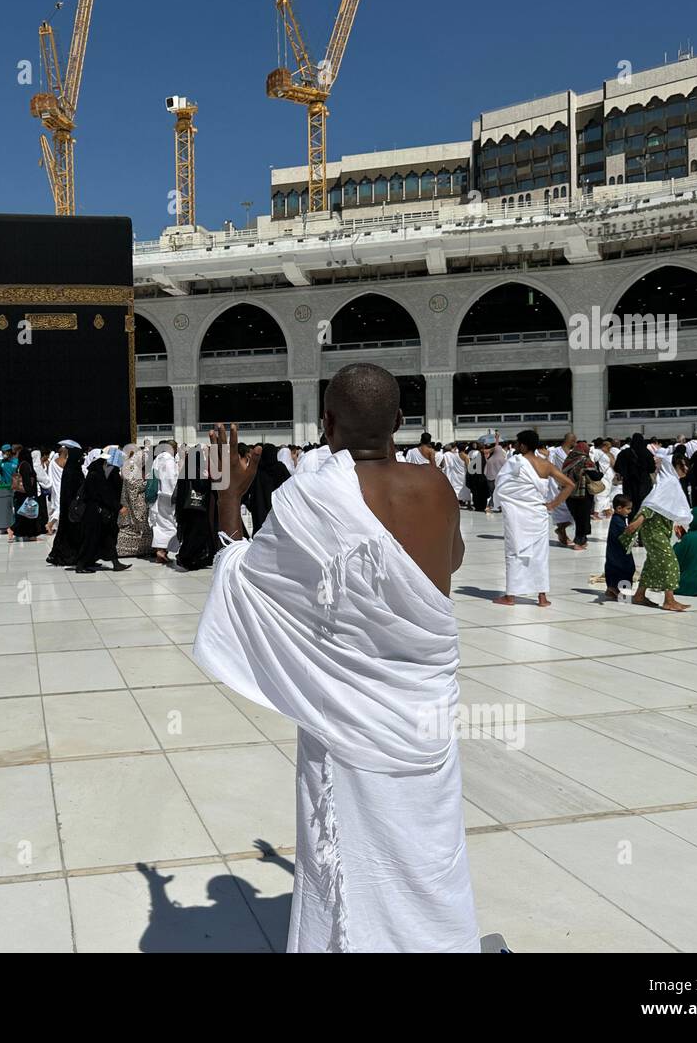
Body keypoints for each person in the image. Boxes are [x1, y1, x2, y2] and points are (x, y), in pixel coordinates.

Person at [194, 363, 478, 953]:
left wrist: (229, 501)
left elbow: (246, 583)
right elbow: (450, 562)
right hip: (425, 713)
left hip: (346, 715)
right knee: (428, 849)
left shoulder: (310, 496)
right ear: (401, 422)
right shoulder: (437, 487)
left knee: (347, 854)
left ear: (326, 424)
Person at [492, 430, 574, 607]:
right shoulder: (546, 465)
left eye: (517, 443)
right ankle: (542, 597)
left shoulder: (515, 463)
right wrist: (552, 505)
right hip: (538, 515)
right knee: (540, 555)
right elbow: (570, 484)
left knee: (515, 553)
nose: (515, 446)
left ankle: (511, 596)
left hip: (517, 516)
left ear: (523, 445)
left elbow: (502, 487)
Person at [620, 451, 691, 612]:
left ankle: (639, 595)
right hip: (654, 531)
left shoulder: (669, 481)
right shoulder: (669, 482)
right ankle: (669, 600)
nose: (685, 469)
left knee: (652, 563)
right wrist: (638, 520)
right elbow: (652, 504)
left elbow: (667, 507)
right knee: (670, 563)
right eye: (682, 466)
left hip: (660, 529)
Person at [74, 448, 129, 574]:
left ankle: (115, 563)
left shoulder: (95, 472)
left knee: (107, 536)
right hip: (95, 512)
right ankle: (81, 565)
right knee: (91, 539)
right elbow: (105, 494)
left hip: (97, 511)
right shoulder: (99, 475)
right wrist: (119, 507)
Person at [47, 444, 86, 565]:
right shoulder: (72, 471)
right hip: (72, 507)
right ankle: (69, 556)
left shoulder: (71, 469)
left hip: (69, 505)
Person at [560, 440, 600, 550]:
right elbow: (595, 476)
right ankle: (578, 541)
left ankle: (583, 540)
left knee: (578, 517)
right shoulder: (585, 460)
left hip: (569, 493)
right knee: (583, 517)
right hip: (582, 494)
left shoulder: (568, 460)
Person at [116, 446, 154, 558]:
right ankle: (125, 550)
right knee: (132, 526)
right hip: (131, 504)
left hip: (132, 502)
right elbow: (133, 486)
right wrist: (147, 484)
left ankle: (143, 549)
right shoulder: (132, 469)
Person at [148, 440, 179, 564]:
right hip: (168, 496)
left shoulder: (157, 459)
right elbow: (171, 480)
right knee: (172, 524)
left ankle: (160, 551)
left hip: (157, 496)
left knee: (160, 525)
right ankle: (162, 551)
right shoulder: (169, 460)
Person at [603, 495, 637, 601]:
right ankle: (621, 590)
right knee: (626, 569)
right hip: (619, 552)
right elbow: (625, 532)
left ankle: (611, 588)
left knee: (614, 568)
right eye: (628, 508)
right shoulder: (617, 520)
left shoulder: (619, 518)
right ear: (619, 508)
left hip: (615, 551)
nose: (630, 511)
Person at [614, 433, 656, 516]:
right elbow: (652, 469)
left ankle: (632, 524)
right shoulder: (647, 453)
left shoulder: (624, 453)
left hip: (629, 484)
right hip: (644, 484)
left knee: (630, 505)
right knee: (643, 504)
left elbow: (617, 467)